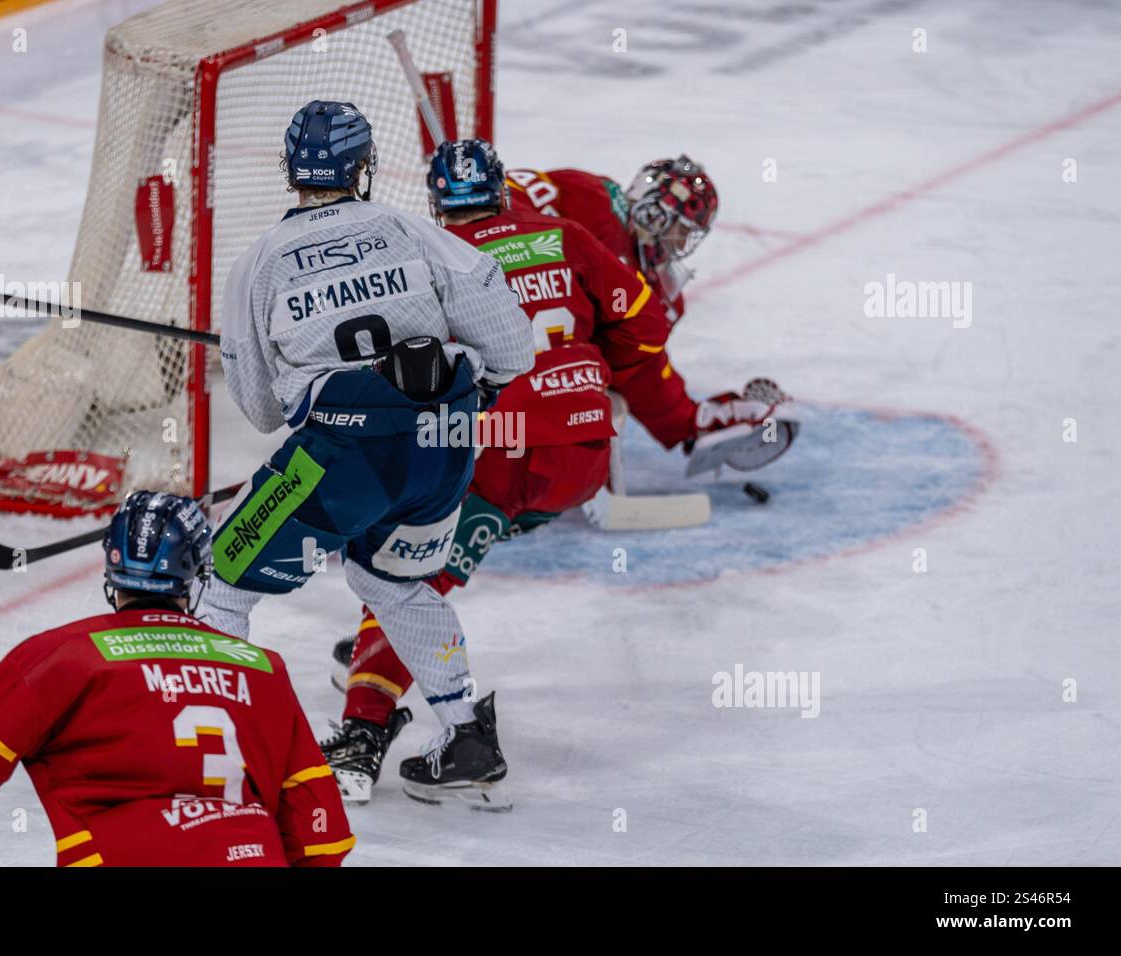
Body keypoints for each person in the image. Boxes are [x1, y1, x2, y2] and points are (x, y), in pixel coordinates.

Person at [324, 140, 797, 802]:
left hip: (497, 444)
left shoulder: (433, 255)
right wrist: (602, 365)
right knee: (429, 570)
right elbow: (646, 328)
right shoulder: (574, 222)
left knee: (402, 566)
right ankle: (409, 668)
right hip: (579, 453)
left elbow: (383, 350)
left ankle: (363, 734)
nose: (676, 239)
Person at [195, 103, 534, 811]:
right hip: (445, 448)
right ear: (364, 166)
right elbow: (511, 344)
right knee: (394, 585)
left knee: (223, 578)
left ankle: (229, 762)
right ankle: (466, 733)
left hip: (339, 459)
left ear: (291, 170)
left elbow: (260, 409)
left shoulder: (257, 264)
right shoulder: (412, 231)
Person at [0, 491, 353, 867]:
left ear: (112, 569)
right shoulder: (263, 668)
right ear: (197, 573)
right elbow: (322, 839)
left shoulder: (63, 657)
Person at [505, 155, 719, 323]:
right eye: (681, 230)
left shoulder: (662, 295)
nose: (681, 243)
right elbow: (508, 191)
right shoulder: (595, 200)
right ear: (656, 212)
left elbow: (644, 363)